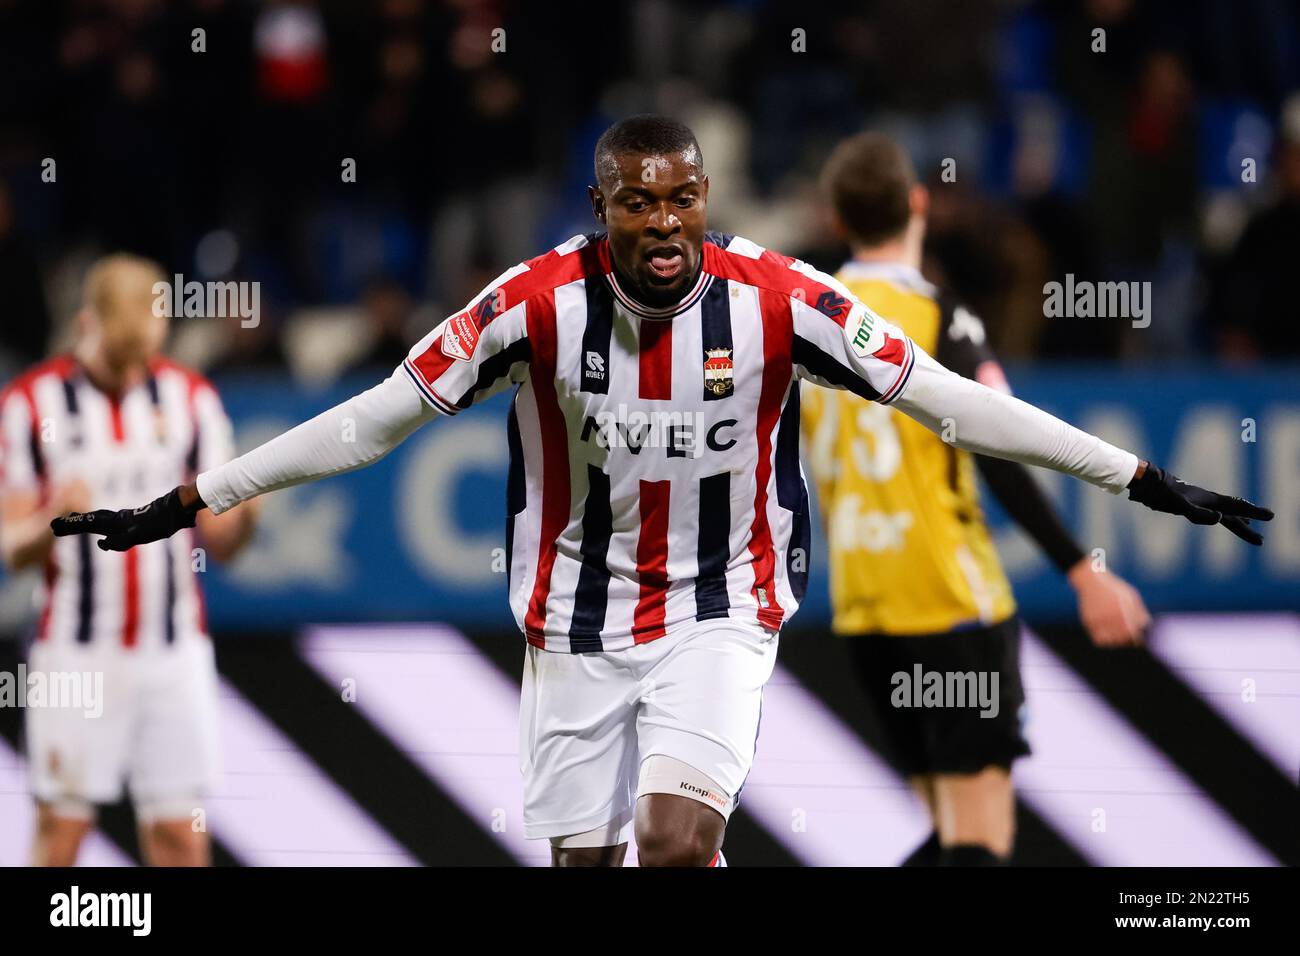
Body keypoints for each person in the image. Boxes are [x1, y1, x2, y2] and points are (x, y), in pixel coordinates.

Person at [50, 117, 1271, 867]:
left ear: (706, 202)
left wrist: (1141, 479)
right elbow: (370, 420)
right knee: (586, 860)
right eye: (638, 198)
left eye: (683, 195)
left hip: (722, 601)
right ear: (603, 210)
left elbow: (959, 404)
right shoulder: (530, 305)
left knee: (678, 838)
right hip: (573, 613)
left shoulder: (783, 297)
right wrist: (189, 497)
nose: (665, 218)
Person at [804, 132, 1154, 866]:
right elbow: (999, 446)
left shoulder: (809, 323)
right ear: (920, 205)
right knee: (980, 837)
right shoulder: (938, 319)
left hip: (865, 610)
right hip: (952, 603)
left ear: (837, 220)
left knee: (946, 827)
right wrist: (1079, 567)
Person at [0, 253, 259, 865]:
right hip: (75, 653)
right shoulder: (31, 405)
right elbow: (12, 549)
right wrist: (51, 520)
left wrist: (248, 510)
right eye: (121, 355)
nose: (133, 369)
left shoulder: (189, 398)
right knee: (60, 833)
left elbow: (224, 546)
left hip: (171, 653)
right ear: (87, 324)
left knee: (179, 834)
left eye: (143, 353)